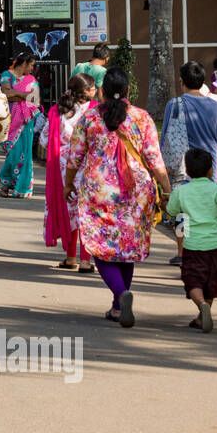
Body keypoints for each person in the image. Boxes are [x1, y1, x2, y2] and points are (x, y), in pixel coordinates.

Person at [63, 67, 172, 327]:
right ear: (128, 91)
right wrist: (166, 189)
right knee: (126, 247)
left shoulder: (89, 118)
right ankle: (118, 305)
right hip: (136, 192)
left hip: (99, 192)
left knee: (101, 247)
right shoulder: (142, 118)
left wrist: (68, 185)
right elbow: (154, 160)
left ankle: (121, 296)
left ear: (101, 91)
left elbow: (74, 157)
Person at [162, 60, 217, 264]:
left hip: (181, 169)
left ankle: (182, 252)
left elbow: (165, 137)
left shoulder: (174, 105)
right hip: (208, 170)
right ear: (203, 81)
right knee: (206, 212)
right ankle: (206, 251)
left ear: (181, 82)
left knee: (182, 214)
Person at [166, 147, 217, 333]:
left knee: (192, 279)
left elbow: (171, 211)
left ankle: (201, 305)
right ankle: (203, 316)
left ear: (189, 171)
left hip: (193, 245)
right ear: (211, 169)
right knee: (212, 281)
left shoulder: (181, 191)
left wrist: (165, 203)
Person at [45, 72, 97, 271]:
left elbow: (44, 140)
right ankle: (86, 261)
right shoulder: (95, 111)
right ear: (85, 92)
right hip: (88, 167)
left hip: (63, 168)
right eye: (92, 88)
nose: (95, 90)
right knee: (87, 214)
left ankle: (70, 258)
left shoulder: (59, 112)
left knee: (70, 212)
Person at [0, 51, 41, 198]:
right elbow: (6, 92)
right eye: (31, 65)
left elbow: (35, 99)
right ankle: (5, 183)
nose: (32, 68)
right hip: (10, 119)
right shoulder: (7, 75)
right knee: (13, 152)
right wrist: (24, 96)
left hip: (26, 121)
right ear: (24, 64)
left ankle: (20, 187)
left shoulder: (31, 79)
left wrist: (16, 95)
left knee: (25, 153)